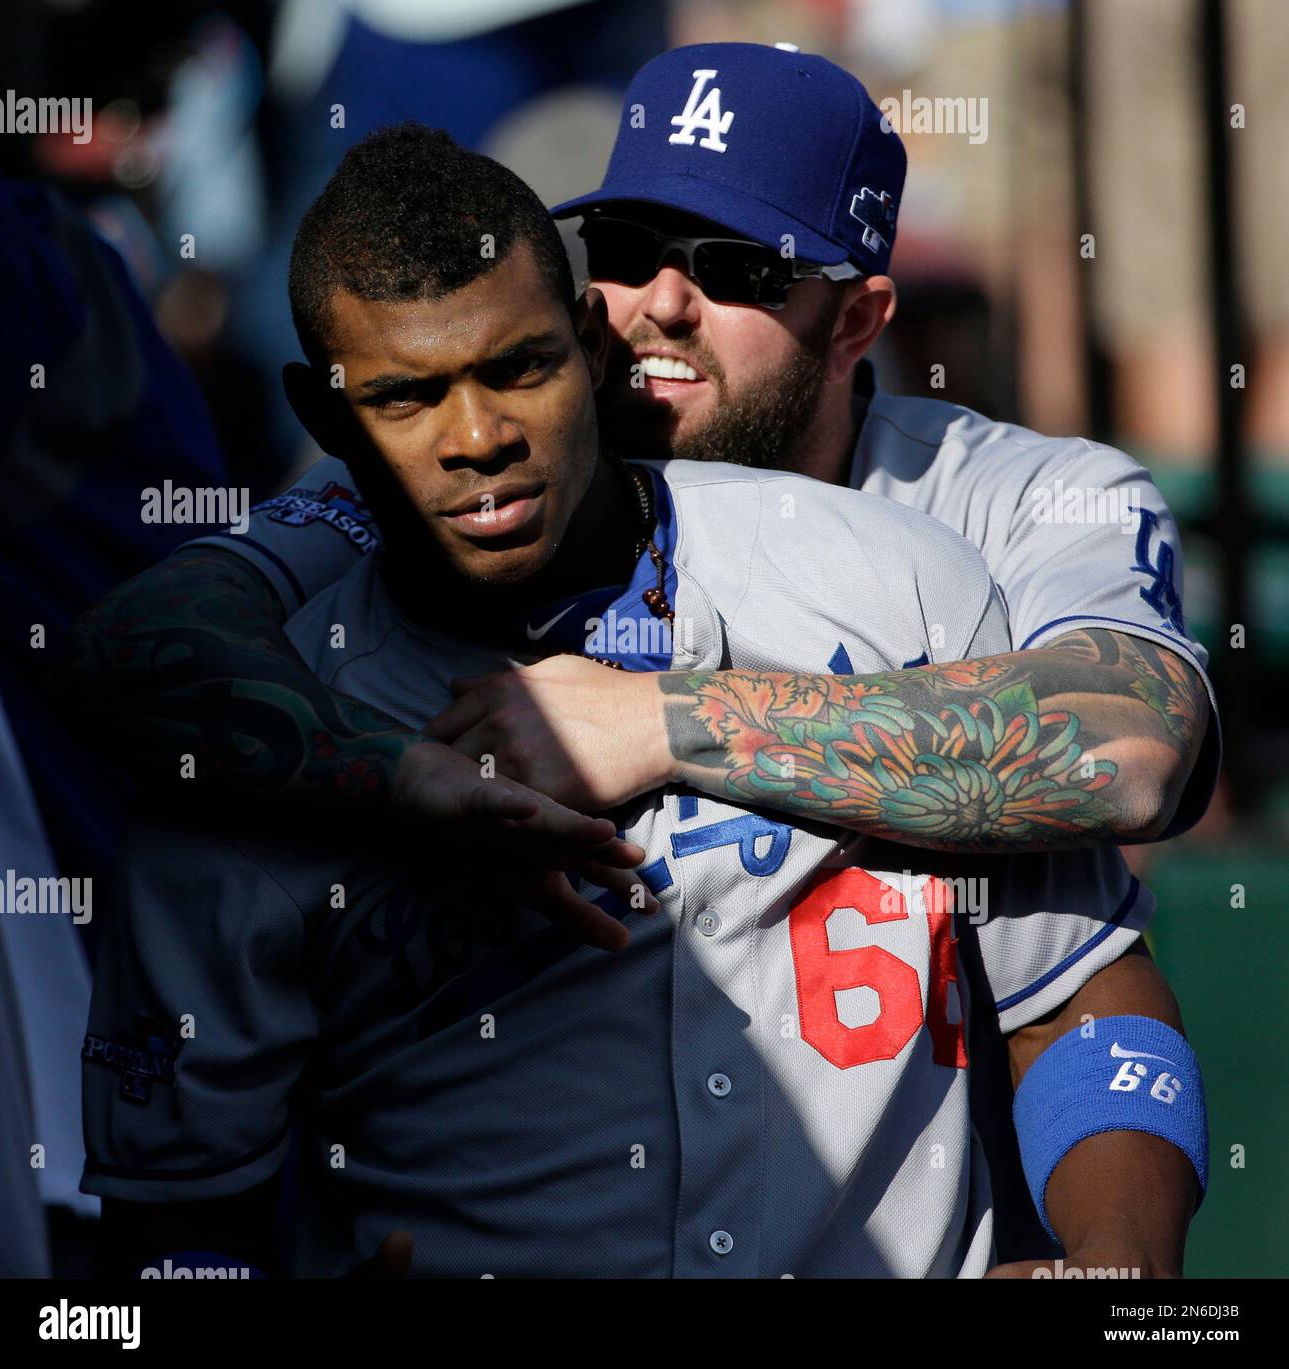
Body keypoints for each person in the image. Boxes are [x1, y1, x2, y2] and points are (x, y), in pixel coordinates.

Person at [81, 123, 1205, 1279]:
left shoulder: (888, 577)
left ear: (587, 342)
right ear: (323, 419)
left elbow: (1070, 987)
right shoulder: (246, 747)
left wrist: (1117, 1271)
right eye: (408, 398)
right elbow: (169, 1232)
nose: (478, 438)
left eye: (518, 367)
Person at [65, 41, 1217, 868]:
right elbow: (137, 649)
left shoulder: (1024, 493)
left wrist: (659, 722)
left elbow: (1134, 748)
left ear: (857, 322)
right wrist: (391, 774)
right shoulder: (507, 465)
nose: (659, 302)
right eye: (624, 244)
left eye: (737, 269)